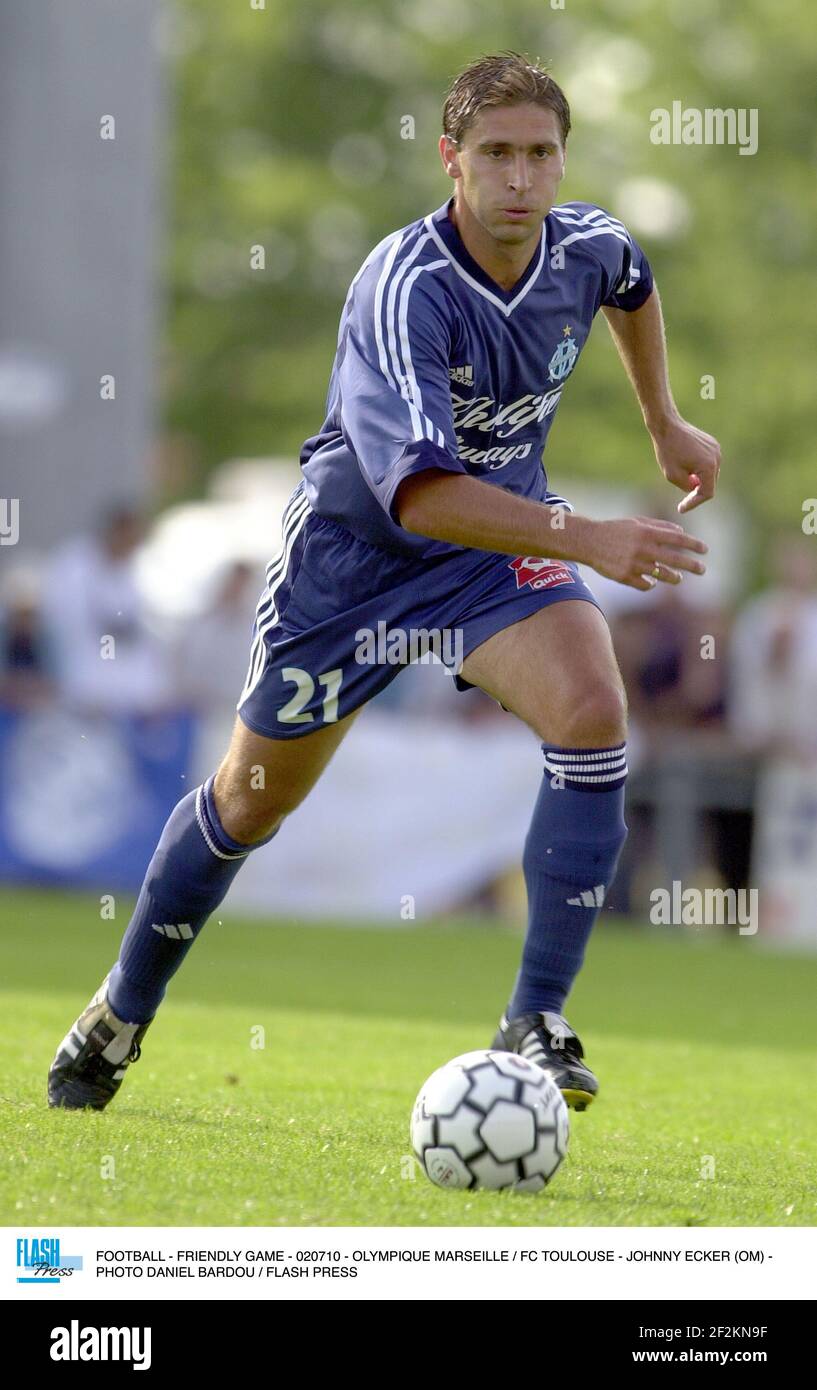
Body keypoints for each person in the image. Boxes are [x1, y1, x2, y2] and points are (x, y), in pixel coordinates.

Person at [48, 52, 719, 1114]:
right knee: (247, 802)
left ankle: (534, 1020)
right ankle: (121, 1008)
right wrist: (587, 533)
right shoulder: (406, 286)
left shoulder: (589, 244)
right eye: (494, 154)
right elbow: (419, 495)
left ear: (560, 162)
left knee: (593, 711)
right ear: (450, 159)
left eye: (539, 154)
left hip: (491, 557)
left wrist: (664, 421)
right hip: (355, 573)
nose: (519, 178)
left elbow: (630, 286)